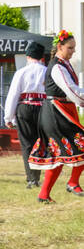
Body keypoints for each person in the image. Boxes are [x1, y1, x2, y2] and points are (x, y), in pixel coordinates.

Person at [29, 29, 84, 203]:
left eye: (74, 47)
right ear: (60, 47)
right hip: (55, 112)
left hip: (61, 110)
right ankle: (72, 182)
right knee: (65, 149)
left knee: (58, 153)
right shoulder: (57, 67)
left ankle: (44, 195)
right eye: (70, 47)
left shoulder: (64, 64)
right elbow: (71, 90)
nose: (73, 50)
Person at [4, 41, 47, 190]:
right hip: (43, 107)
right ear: (42, 57)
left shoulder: (21, 72)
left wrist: (8, 117)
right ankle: (37, 176)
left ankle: (31, 178)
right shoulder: (47, 71)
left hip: (25, 107)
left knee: (27, 143)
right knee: (40, 142)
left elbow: (13, 95)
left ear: (28, 56)